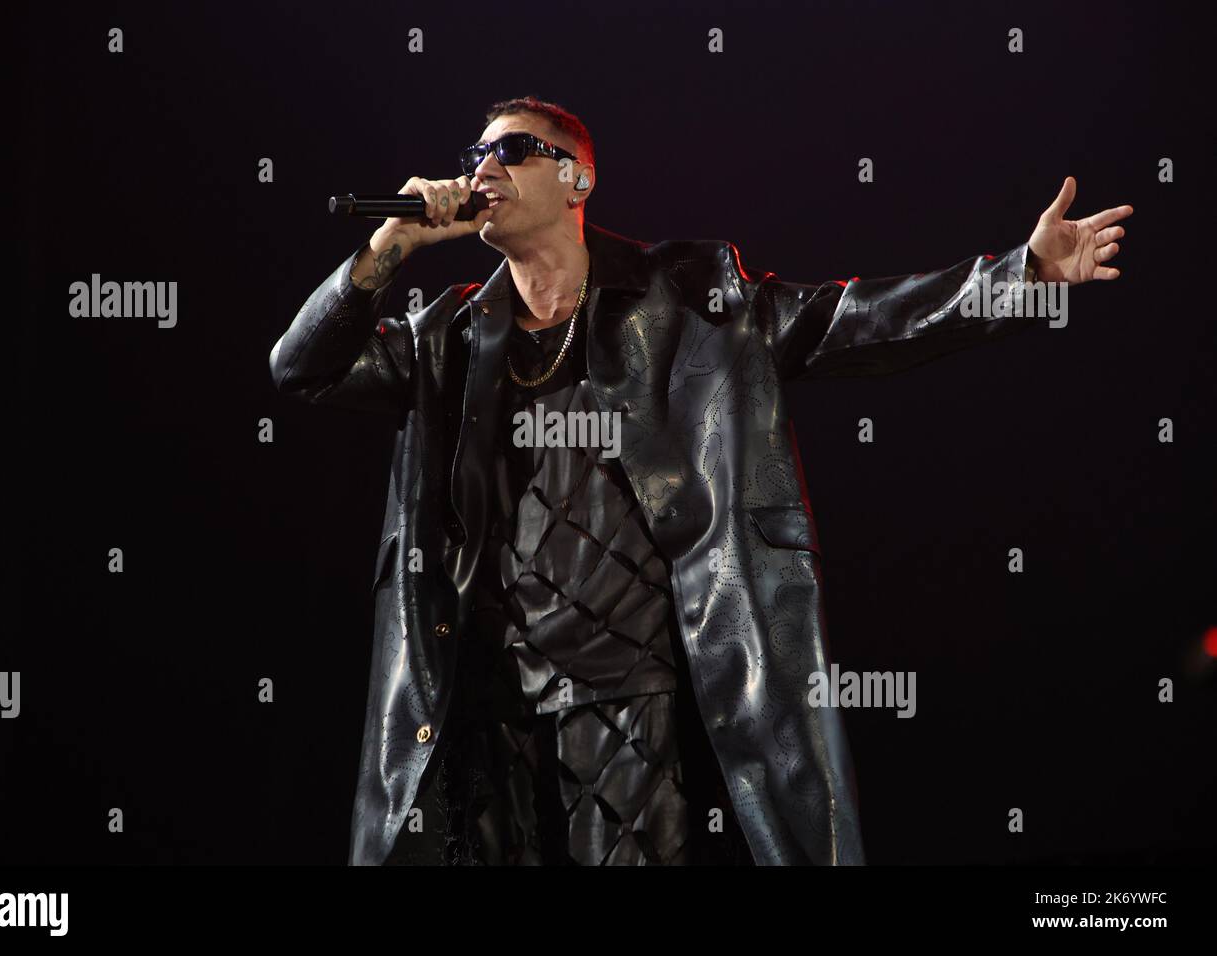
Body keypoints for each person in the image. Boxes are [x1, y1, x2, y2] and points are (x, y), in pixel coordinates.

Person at [268, 96, 1132, 865]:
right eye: (474, 156)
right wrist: (388, 251)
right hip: (483, 708)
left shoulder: (692, 301)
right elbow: (300, 368)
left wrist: (1019, 274)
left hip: (629, 692)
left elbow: (855, 321)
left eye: (513, 150)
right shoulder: (445, 337)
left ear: (578, 180)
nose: (483, 169)